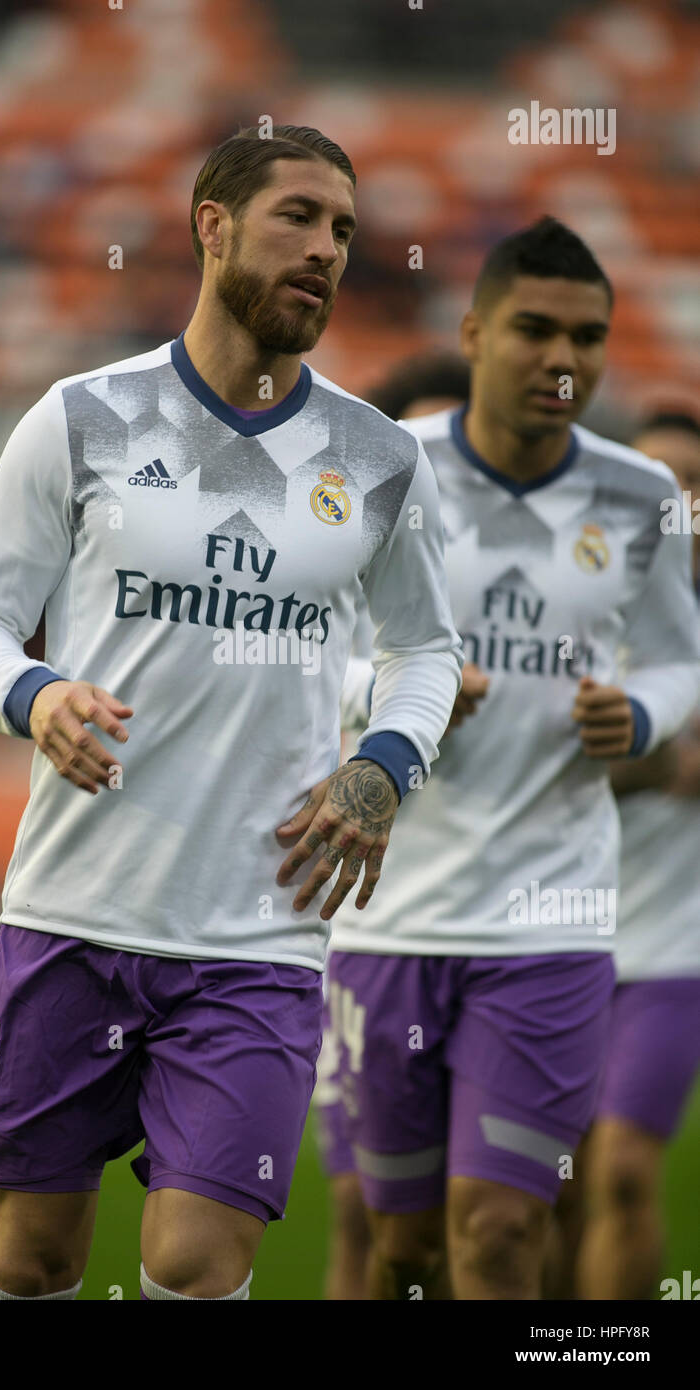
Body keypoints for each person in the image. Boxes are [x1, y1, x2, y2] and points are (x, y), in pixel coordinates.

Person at [0, 124, 463, 1303]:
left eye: (342, 228)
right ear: (209, 224)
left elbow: (426, 647)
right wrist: (34, 691)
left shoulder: (374, 460)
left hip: (256, 940)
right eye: (297, 217)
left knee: (194, 1261)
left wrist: (380, 766)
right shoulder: (83, 418)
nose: (326, 247)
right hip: (73, 912)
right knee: (29, 1263)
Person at [324, 217, 700, 1300]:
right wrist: (405, 693)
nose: (562, 359)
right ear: (475, 331)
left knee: (497, 1233)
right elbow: (319, 657)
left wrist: (636, 713)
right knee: (400, 1247)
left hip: (550, 923)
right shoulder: (386, 470)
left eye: (587, 337)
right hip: (390, 919)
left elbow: (680, 662)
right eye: (533, 330)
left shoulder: (635, 496)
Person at [313, 351, 470, 1301]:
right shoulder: (339, 557)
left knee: (496, 1219)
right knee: (370, 1218)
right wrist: (401, 700)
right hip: (367, 936)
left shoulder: (499, 582)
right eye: (422, 446)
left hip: (506, 932)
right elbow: (293, 666)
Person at [551, 410, 700, 1300]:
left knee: (622, 1175)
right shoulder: (574, 615)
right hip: (551, 944)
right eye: (658, 477)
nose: (677, 499)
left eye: (692, 481)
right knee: (546, 1190)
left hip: (672, 950)